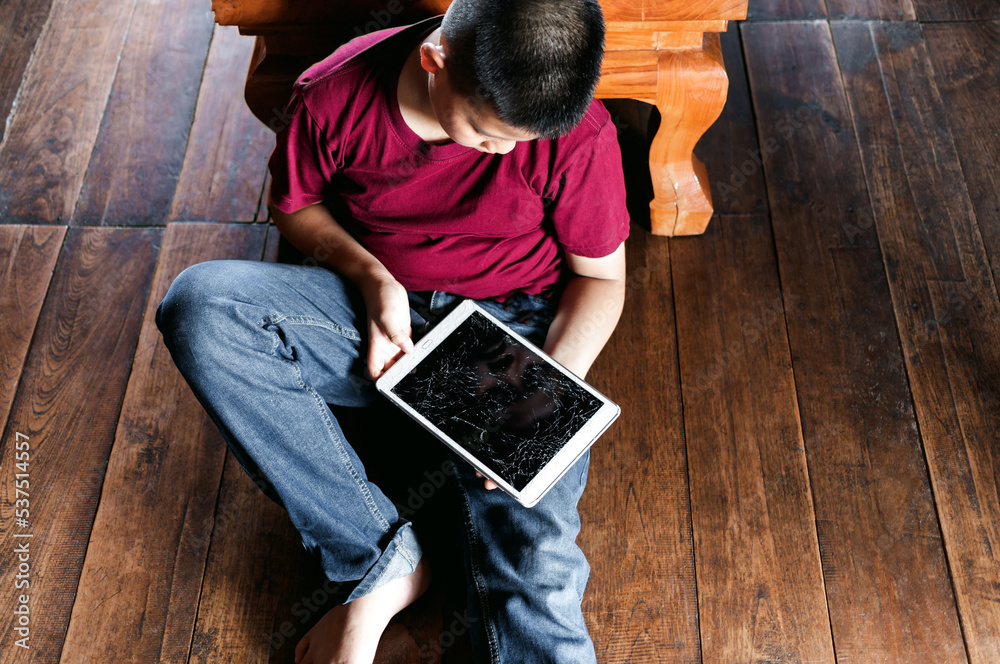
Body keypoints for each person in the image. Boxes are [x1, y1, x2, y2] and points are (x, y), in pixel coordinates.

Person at [155, 0, 629, 661]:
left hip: (507, 334)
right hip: (369, 310)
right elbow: (296, 209)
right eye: (491, 134)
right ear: (436, 60)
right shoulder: (332, 93)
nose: (507, 151)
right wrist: (376, 280)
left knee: (536, 557)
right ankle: (380, 563)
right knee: (202, 306)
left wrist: (539, 399)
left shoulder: (577, 135)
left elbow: (602, 280)